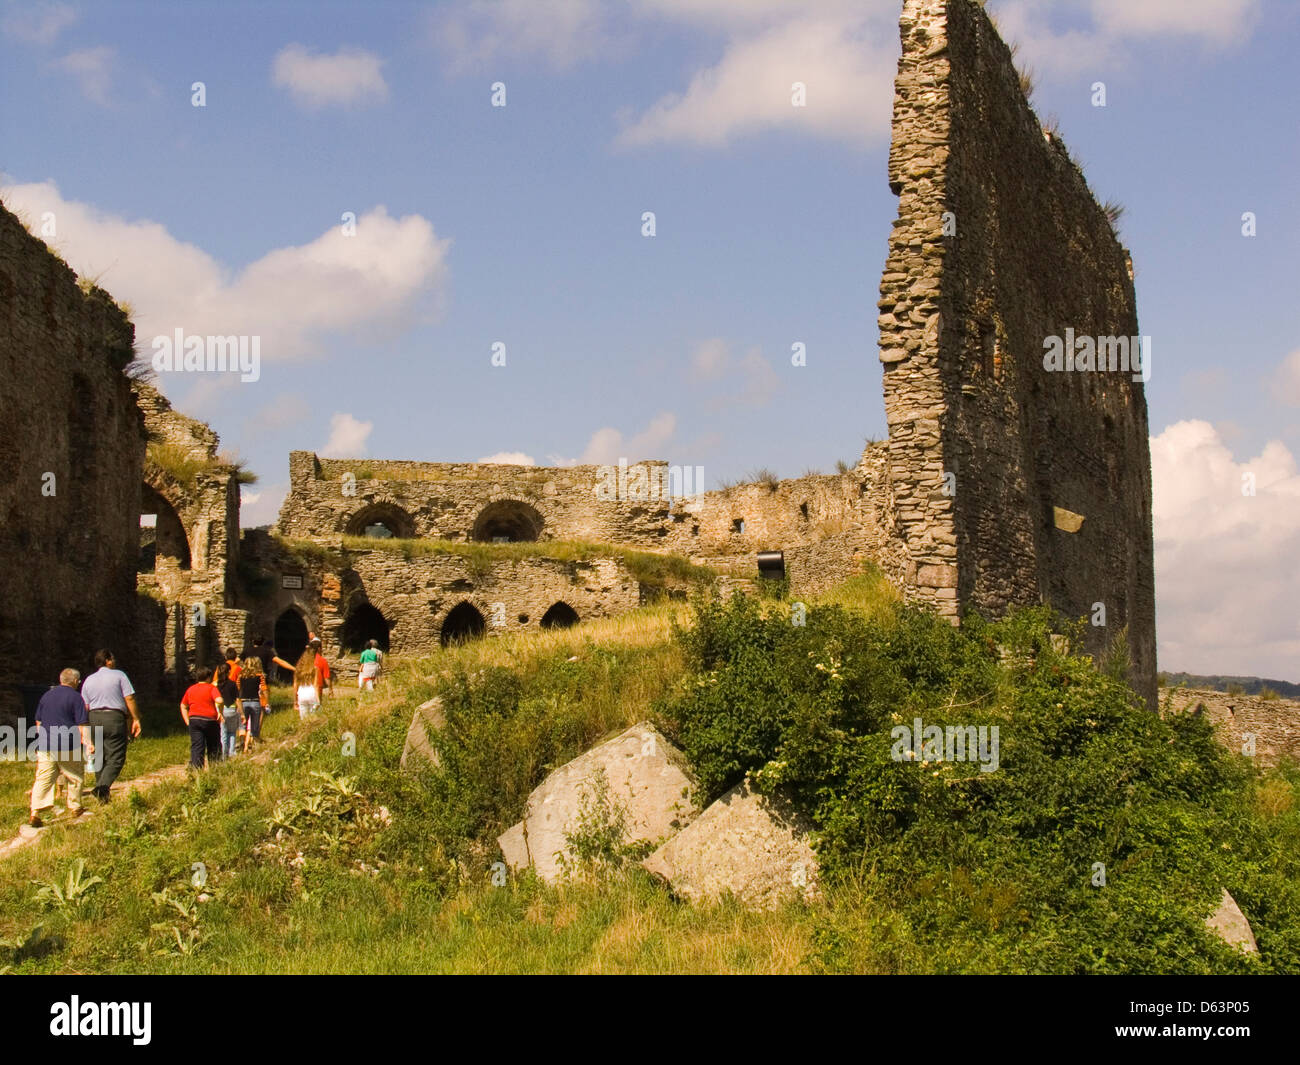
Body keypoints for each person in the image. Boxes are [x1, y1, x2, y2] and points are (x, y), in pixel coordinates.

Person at [29, 669, 95, 828]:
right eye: (79, 681)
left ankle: (35, 812)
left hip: (46, 745)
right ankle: (75, 807)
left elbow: (38, 721)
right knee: (74, 776)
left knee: (43, 778)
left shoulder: (47, 695)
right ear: (75, 681)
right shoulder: (75, 697)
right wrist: (89, 743)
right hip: (68, 744)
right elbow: (81, 723)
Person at [80, 649, 141, 804]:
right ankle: (102, 786)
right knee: (116, 756)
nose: (114, 661)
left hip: (94, 717)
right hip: (114, 717)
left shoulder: (88, 680)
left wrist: (84, 726)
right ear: (108, 660)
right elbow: (129, 698)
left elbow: (85, 706)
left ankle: (103, 797)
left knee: (99, 756)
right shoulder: (119, 675)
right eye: (112, 658)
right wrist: (135, 718)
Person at [181, 667, 222, 769]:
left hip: (194, 720)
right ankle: (215, 768)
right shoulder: (211, 688)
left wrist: (187, 721)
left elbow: (183, 705)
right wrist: (220, 712)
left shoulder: (190, 689)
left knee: (197, 746)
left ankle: (196, 771)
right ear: (208, 677)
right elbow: (220, 700)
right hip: (210, 720)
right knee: (213, 745)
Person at [238, 655, 268, 750]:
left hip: (243, 702)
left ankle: (242, 742)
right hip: (255, 701)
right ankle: (252, 742)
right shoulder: (259, 676)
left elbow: (238, 689)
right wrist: (267, 701)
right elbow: (264, 689)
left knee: (242, 723)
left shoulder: (241, 676)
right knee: (255, 724)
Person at [216, 662, 242, 759]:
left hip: (220, 710)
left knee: (223, 733)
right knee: (232, 732)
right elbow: (237, 699)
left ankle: (223, 754)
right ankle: (232, 752)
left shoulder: (215, 684)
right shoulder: (232, 684)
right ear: (229, 672)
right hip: (231, 709)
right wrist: (241, 713)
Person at [293, 648, 322, 719]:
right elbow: (316, 685)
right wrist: (318, 700)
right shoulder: (315, 669)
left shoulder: (298, 669)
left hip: (301, 695)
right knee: (315, 719)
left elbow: (295, 685)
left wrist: (295, 701)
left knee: (303, 719)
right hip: (312, 694)